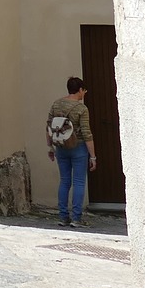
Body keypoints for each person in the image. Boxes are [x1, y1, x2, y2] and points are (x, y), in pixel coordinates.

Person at [46, 76, 96, 226]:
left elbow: (48, 126)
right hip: (78, 147)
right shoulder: (81, 109)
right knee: (79, 182)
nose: (84, 94)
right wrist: (93, 156)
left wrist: (50, 146)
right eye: (84, 91)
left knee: (64, 181)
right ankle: (76, 218)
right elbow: (86, 133)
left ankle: (63, 216)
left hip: (61, 147)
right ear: (80, 90)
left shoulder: (56, 104)